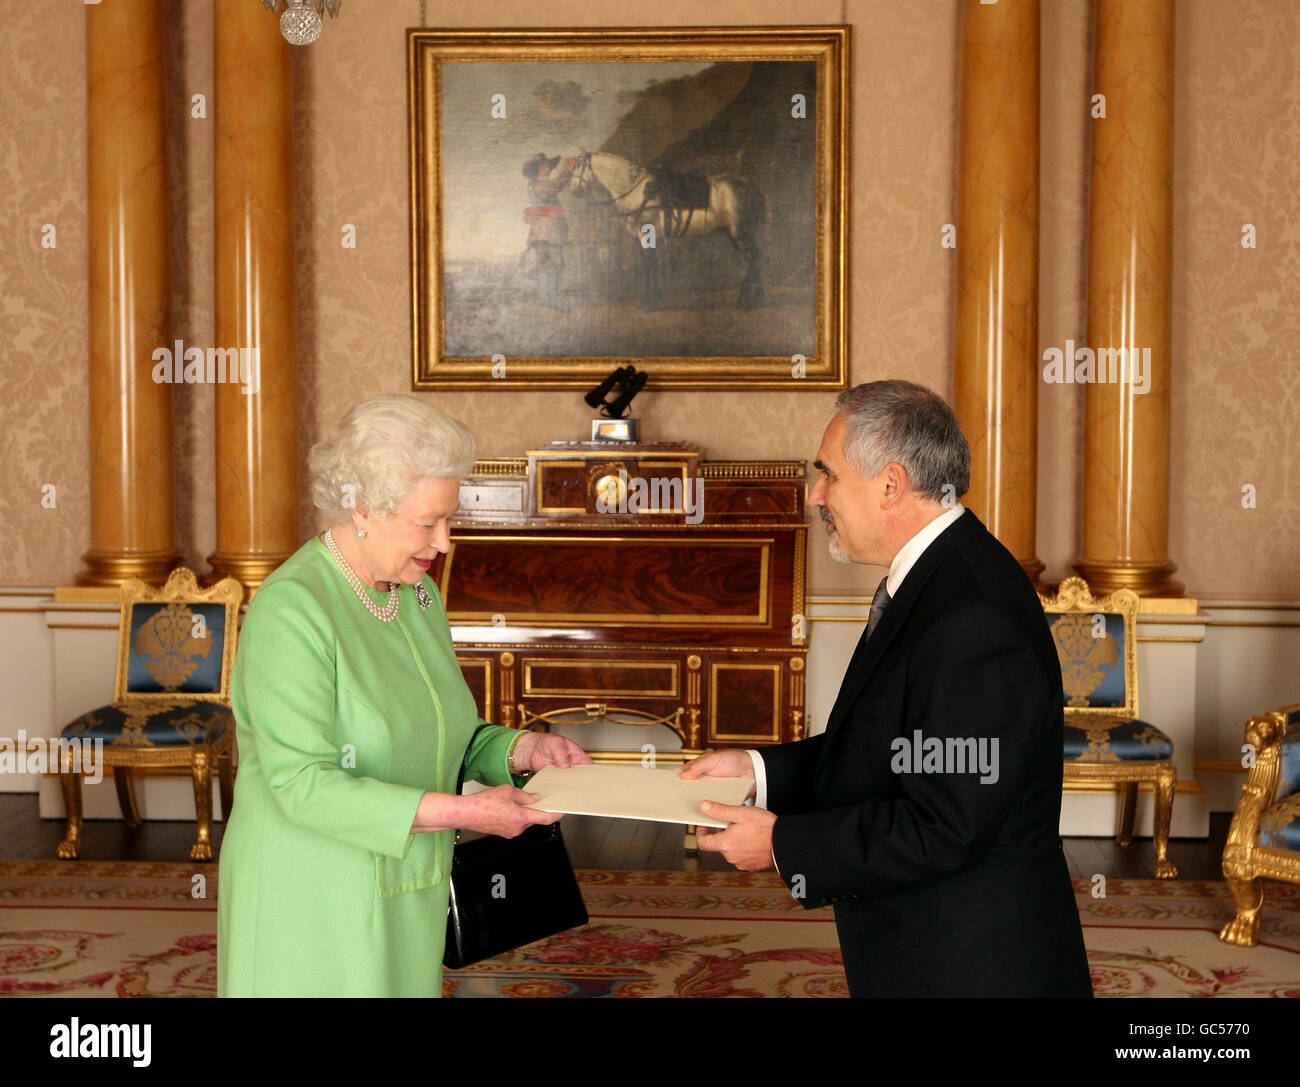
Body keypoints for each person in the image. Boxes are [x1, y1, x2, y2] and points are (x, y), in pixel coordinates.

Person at [681, 380, 1093, 997]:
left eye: (829, 475)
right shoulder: (940, 576)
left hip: (973, 962)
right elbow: (885, 749)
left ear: (891, 484)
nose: (816, 495)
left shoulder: (971, 613)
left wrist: (782, 844)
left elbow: (945, 824)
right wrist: (757, 769)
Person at [217, 394, 591, 997]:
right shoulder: (293, 611)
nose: (444, 543)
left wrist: (521, 752)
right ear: (363, 507)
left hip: (407, 879)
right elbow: (302, 784)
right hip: (311, 892)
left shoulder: (415, 597)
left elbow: (444, 731)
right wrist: (470, 813)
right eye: (428, 523)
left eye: (449, 520)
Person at [520, 151, 575, 312]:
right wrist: (569, 169)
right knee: (552, 263)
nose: (547, 169)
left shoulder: (538, 184)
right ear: (536, 170)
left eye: (548, 166)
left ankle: (546, 297)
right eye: (543, 167)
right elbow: (558, 185)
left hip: (548, 231)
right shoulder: (538, 185)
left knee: (549, 263)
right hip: (546, 231)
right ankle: (551, 298)